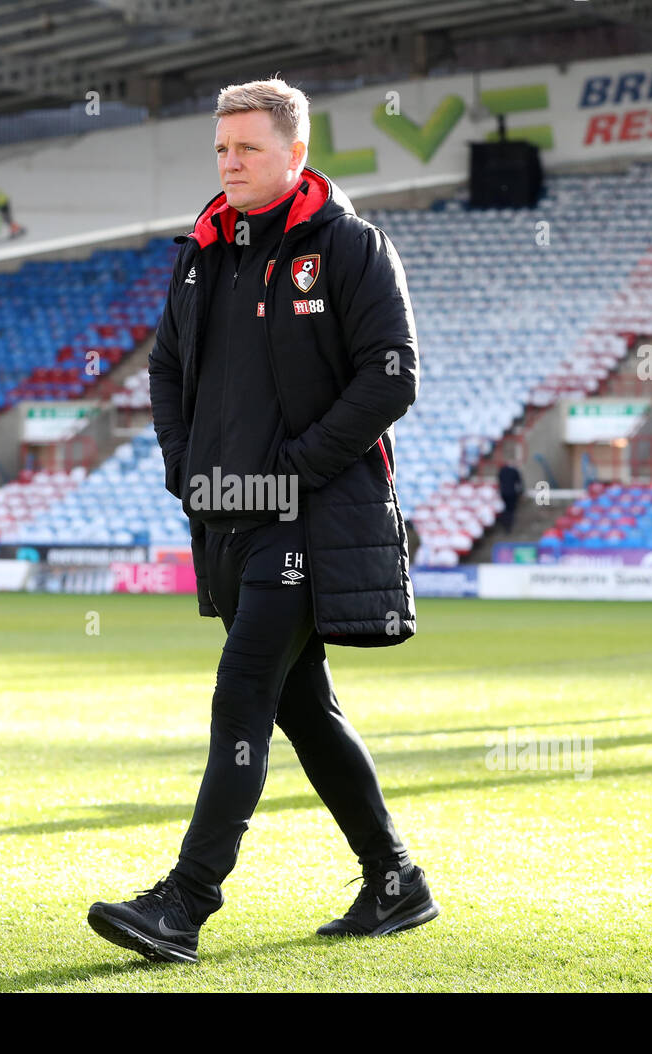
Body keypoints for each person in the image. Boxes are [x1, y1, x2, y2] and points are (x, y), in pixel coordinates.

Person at [88, 78, 436, 964]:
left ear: (295, 154)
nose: (229, 163)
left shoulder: (351, 248)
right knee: (302, 707)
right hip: (227, 523)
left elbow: (391, 375)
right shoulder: (203, 252)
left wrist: (294, 466)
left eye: (245, 148)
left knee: (242, 690)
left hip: (308, 518)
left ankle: (184, 903)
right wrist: (181, 462)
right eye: (220, 149)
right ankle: (396, 880)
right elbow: (166, 368)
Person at [497, 460, 524, 532]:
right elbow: (519, 483)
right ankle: (508, 525)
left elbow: (500, 480)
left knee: (505, 508)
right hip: (512, 493)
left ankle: (505, 523)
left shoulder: (502, 470)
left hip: (503, 492)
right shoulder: (515, 471)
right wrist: (521, 493)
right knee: (511, 509)